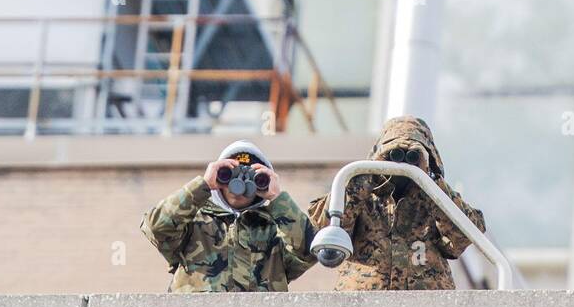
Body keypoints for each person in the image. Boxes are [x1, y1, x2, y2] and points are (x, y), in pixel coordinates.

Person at [307, 116, 486, 290]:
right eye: (394, 154)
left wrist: (432, 183)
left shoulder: (435, 198)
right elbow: (321, 224)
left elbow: (465, 236)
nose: (401, 163)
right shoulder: (362, 196)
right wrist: (368, 173)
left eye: (413, 156)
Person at [140, 140, 314, 292]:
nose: (237, 186)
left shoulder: (276, 227)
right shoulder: (193, 221)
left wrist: (278, 199)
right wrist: (203, 185)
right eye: (228, 175)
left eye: (254, 179)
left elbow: (310, 251)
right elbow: (156, 227)